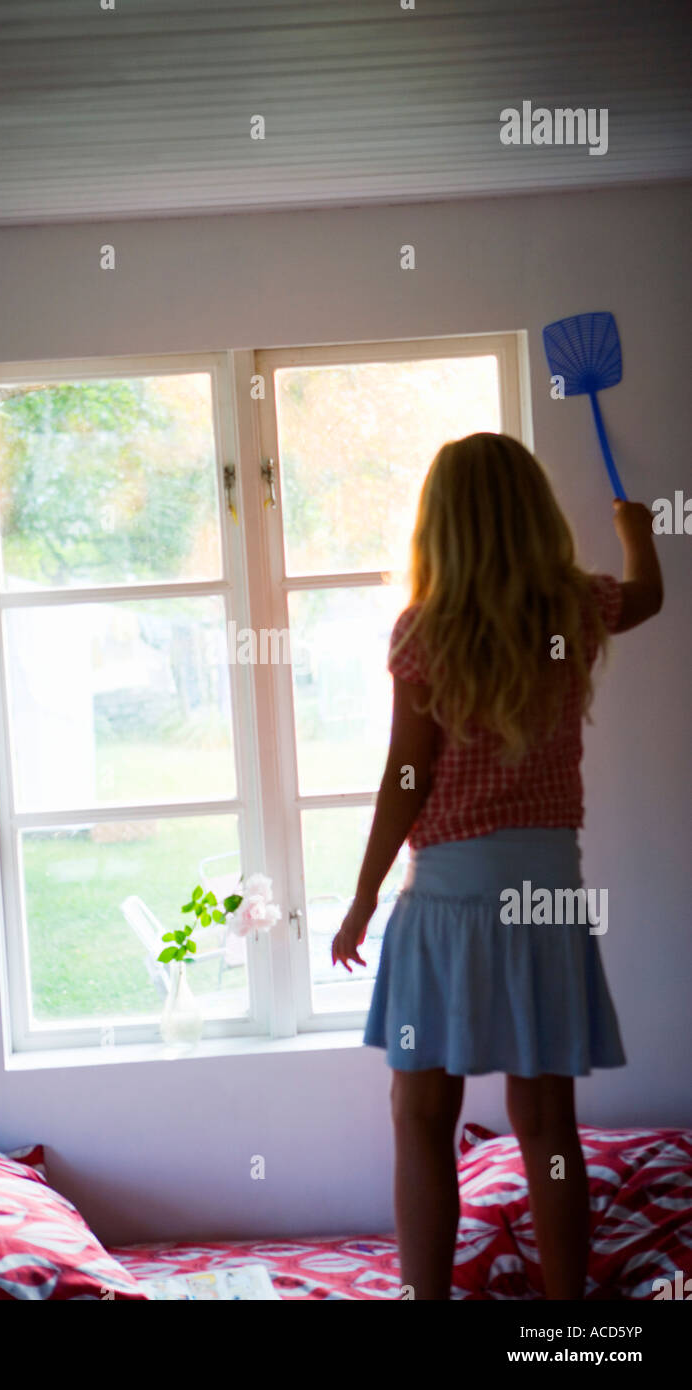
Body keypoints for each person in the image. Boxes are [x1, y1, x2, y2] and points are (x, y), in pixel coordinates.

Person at [331, 432, 663, 1301]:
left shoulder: (425, 634)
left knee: (423, 1117)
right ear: (534, 515)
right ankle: (567, 1327)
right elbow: (649, 595)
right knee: (548, 1122)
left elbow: (407, 778)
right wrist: (638, 527)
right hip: (548, 895)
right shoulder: (576, 610)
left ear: (440, 526)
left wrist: (363, 897)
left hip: (447, 900)